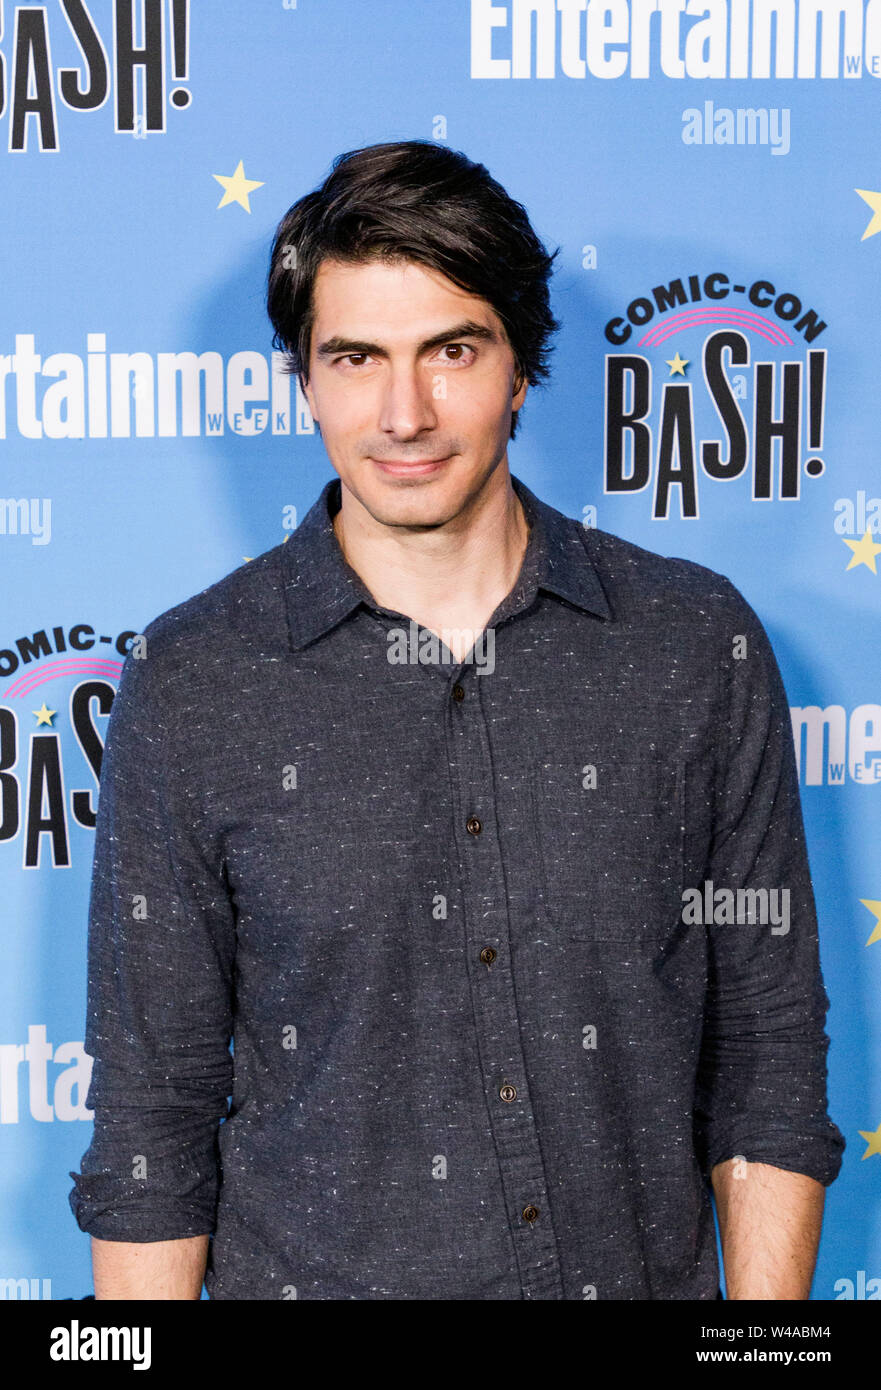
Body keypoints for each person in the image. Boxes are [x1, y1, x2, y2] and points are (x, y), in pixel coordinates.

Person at [69, 139, 844, 1300]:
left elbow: (767, 1060)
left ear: (522, 367)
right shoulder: (196, 679)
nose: (404, 412)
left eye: (452, 350)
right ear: (303, 378)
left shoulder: (692, 646)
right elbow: (152, 1123)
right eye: (354, 357)